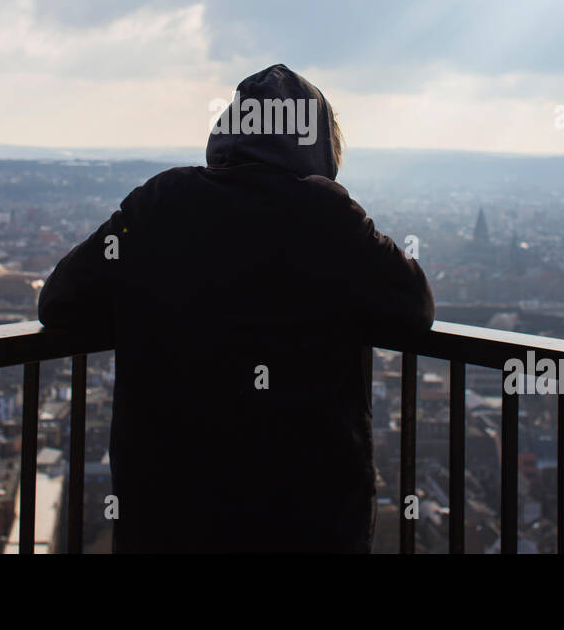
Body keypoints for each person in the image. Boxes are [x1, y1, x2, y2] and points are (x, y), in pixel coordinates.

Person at [38, 63, 434, 551]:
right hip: (307, 514)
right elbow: (414, 309)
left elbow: (60, 301)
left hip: (168, 510)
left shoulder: (161, 203)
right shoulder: (326, 217)